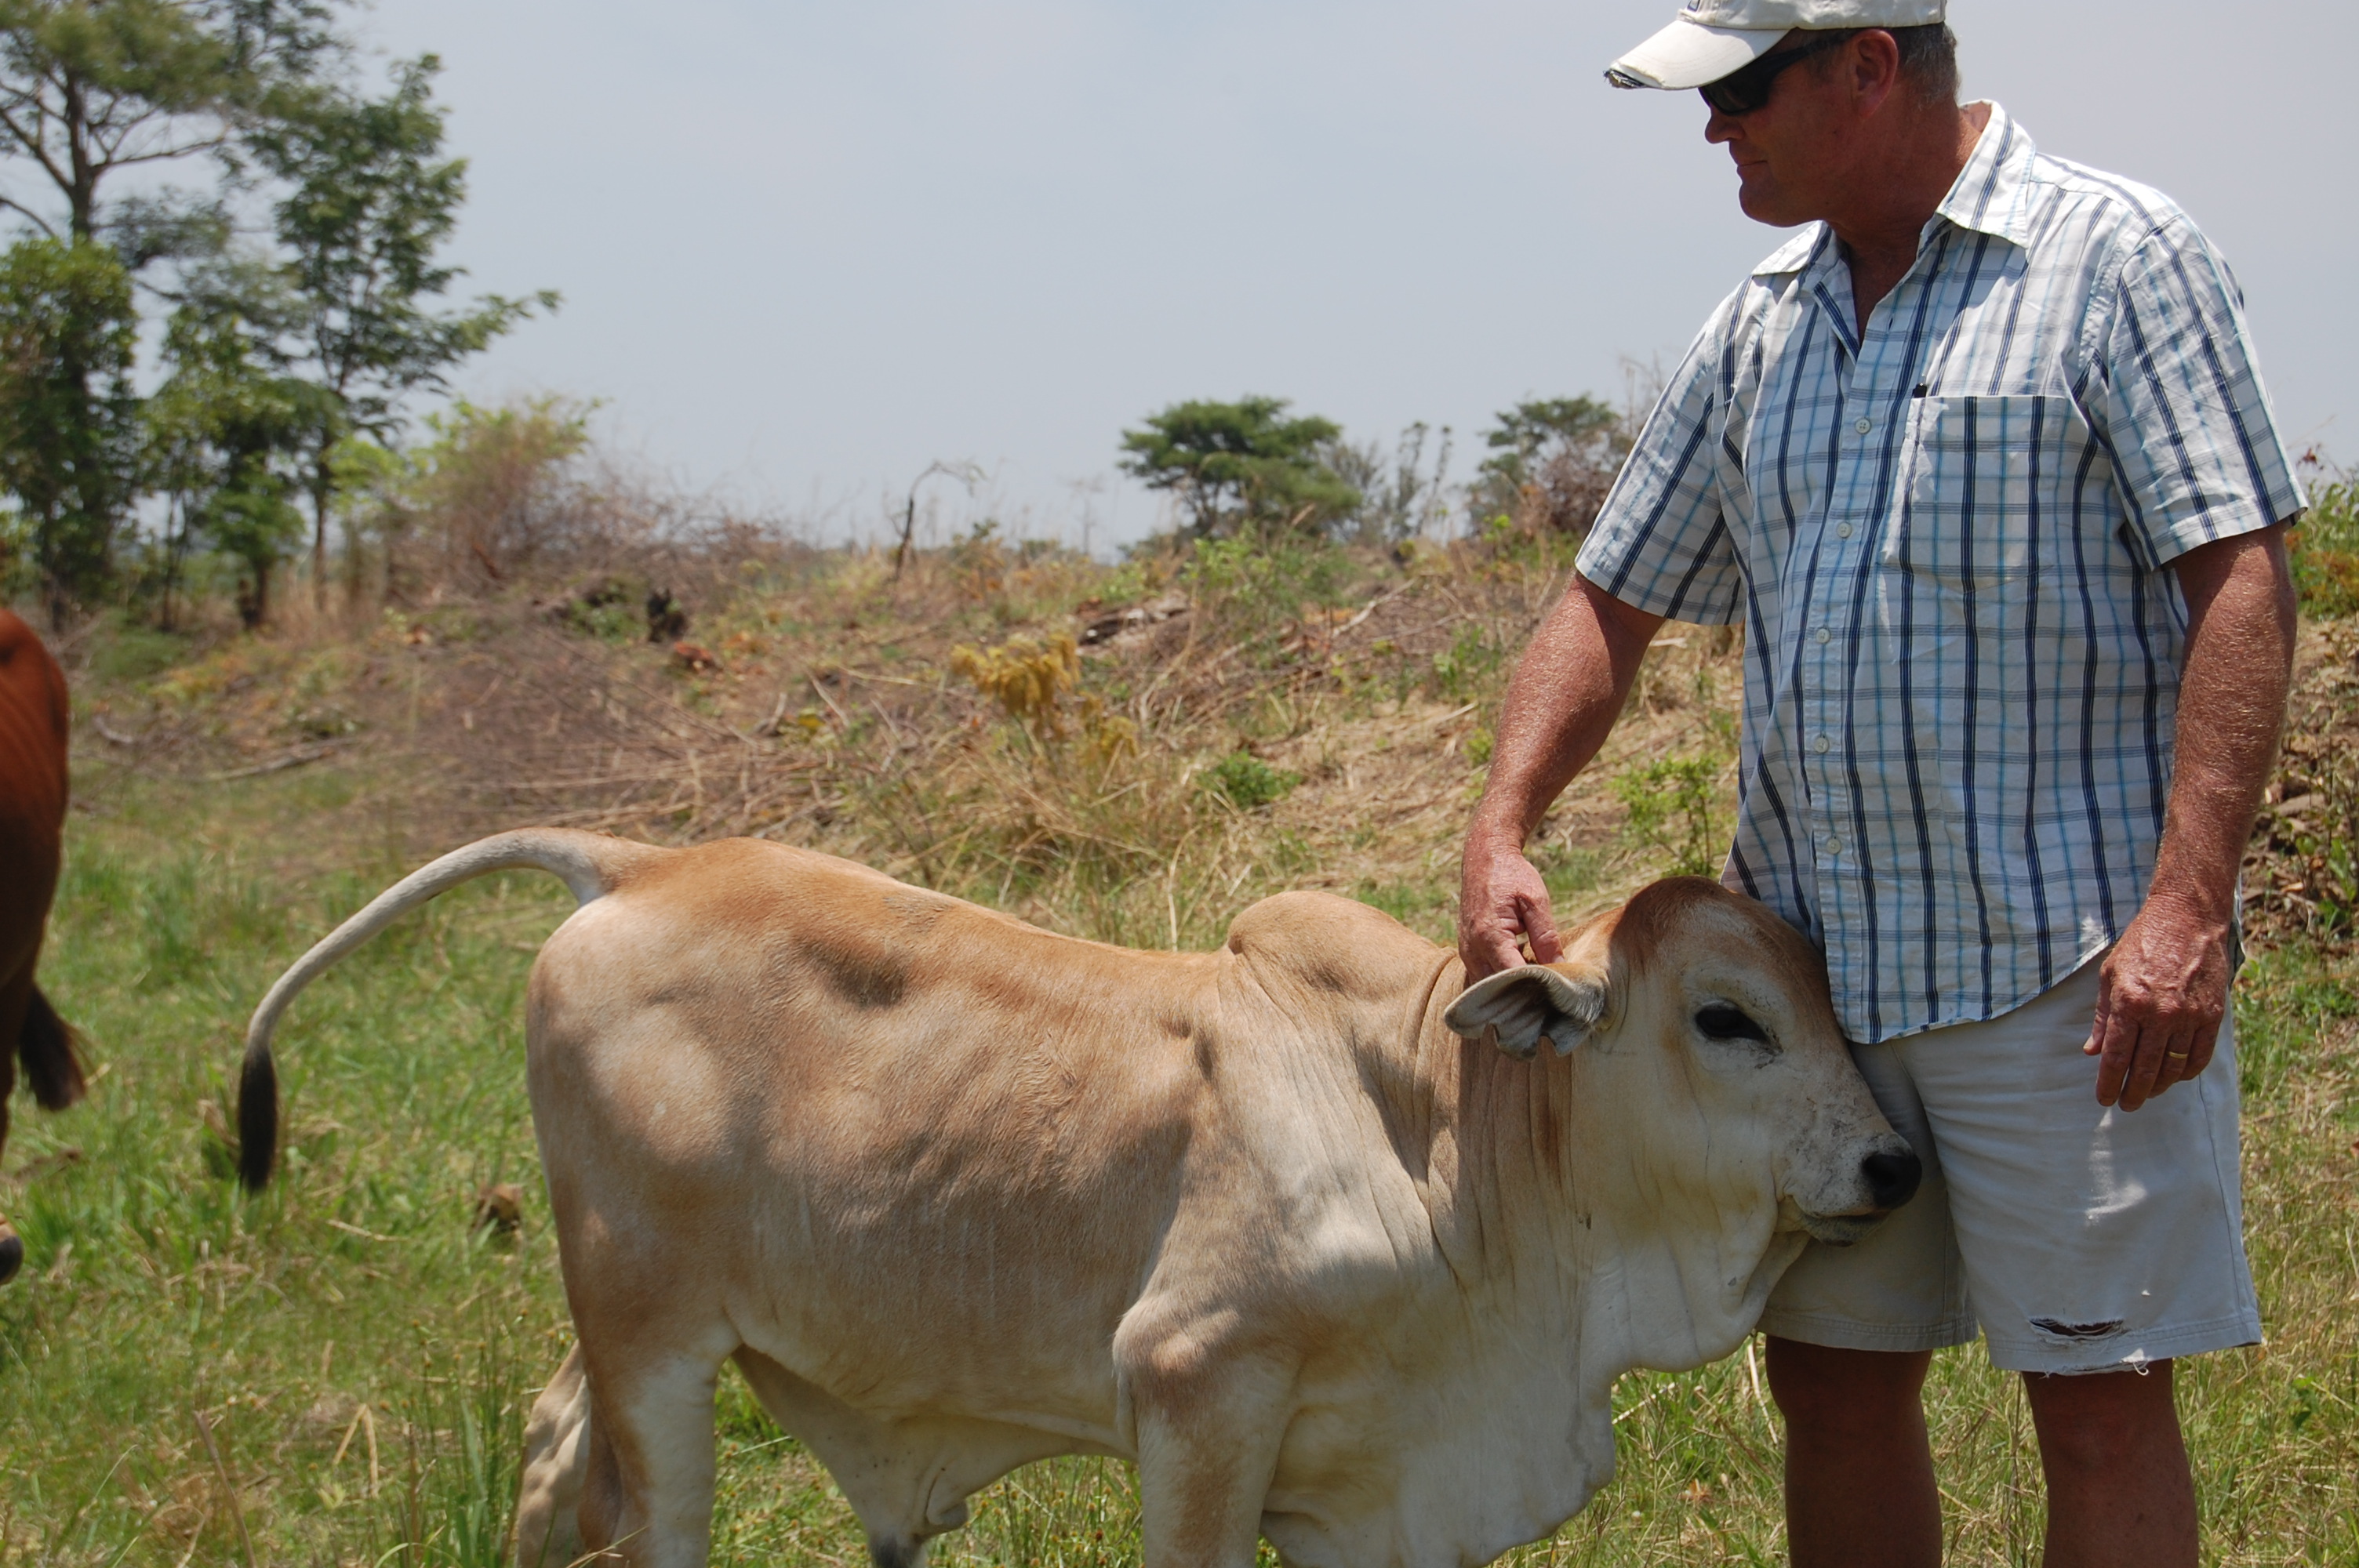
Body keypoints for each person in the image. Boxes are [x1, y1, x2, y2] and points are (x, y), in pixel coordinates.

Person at [1456, 5, 2303, 1565]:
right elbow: (1608, 600)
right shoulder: (1761, 321)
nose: (1715, 129)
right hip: (1814, 995)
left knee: (2099, 1396)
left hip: (2067, 976)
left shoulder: (2111, 259)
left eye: (1742, 89)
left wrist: (2185, 909)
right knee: (1832, 1384)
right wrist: (1503, 817)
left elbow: (2237, 581)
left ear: (1868, 62)